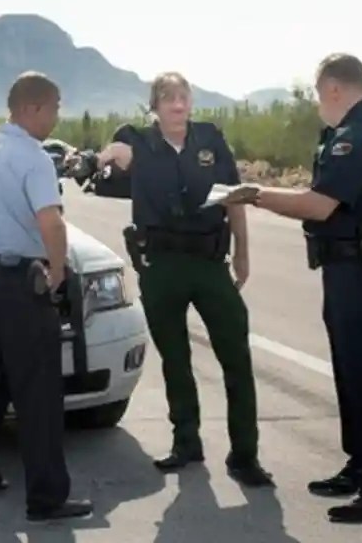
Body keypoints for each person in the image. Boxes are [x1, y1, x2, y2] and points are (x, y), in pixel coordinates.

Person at [229, 52, 362, 523]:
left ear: (333, 88)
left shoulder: (358, 135)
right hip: (356, 265)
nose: (318, 105)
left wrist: (255, 195)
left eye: (318, 94)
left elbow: (320, 205)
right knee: (353, 374)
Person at [70, 71, 274, 488]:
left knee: (235, 354)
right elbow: (117, 151)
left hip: (209, 261)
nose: (177, 105)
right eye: (168, 99)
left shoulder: (210, 139)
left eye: (183, 97)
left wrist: (244, 255)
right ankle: (186, 442)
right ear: (155, 107)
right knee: (176, 360)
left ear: (191, 102)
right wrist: (108, 156)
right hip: (162, 265)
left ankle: (245, 454)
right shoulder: (139, 140)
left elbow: (233, 198)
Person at [0, 71, 94, 523]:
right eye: (55, 108)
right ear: (33, 108)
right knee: (38, 393)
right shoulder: (34, 157)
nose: (57, 118)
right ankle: (46, 497)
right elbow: (51, 222)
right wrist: (56, 272)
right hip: (24, 281)